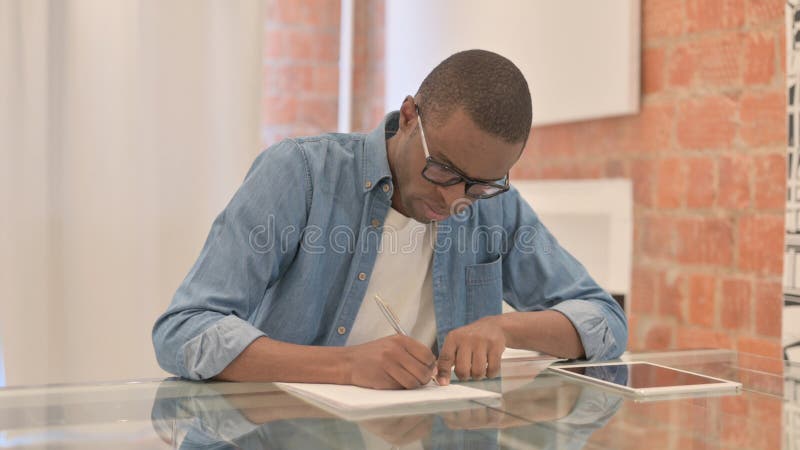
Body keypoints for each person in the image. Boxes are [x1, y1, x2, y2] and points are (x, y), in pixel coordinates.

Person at [152, 49, 628, 389]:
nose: (456, 199)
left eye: (480, 184)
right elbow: (185, 330)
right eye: (442, 169)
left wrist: (505, 328)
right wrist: (344, 367)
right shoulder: (300, 174)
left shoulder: (493, 205)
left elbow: (604, 318)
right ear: (408, 116)